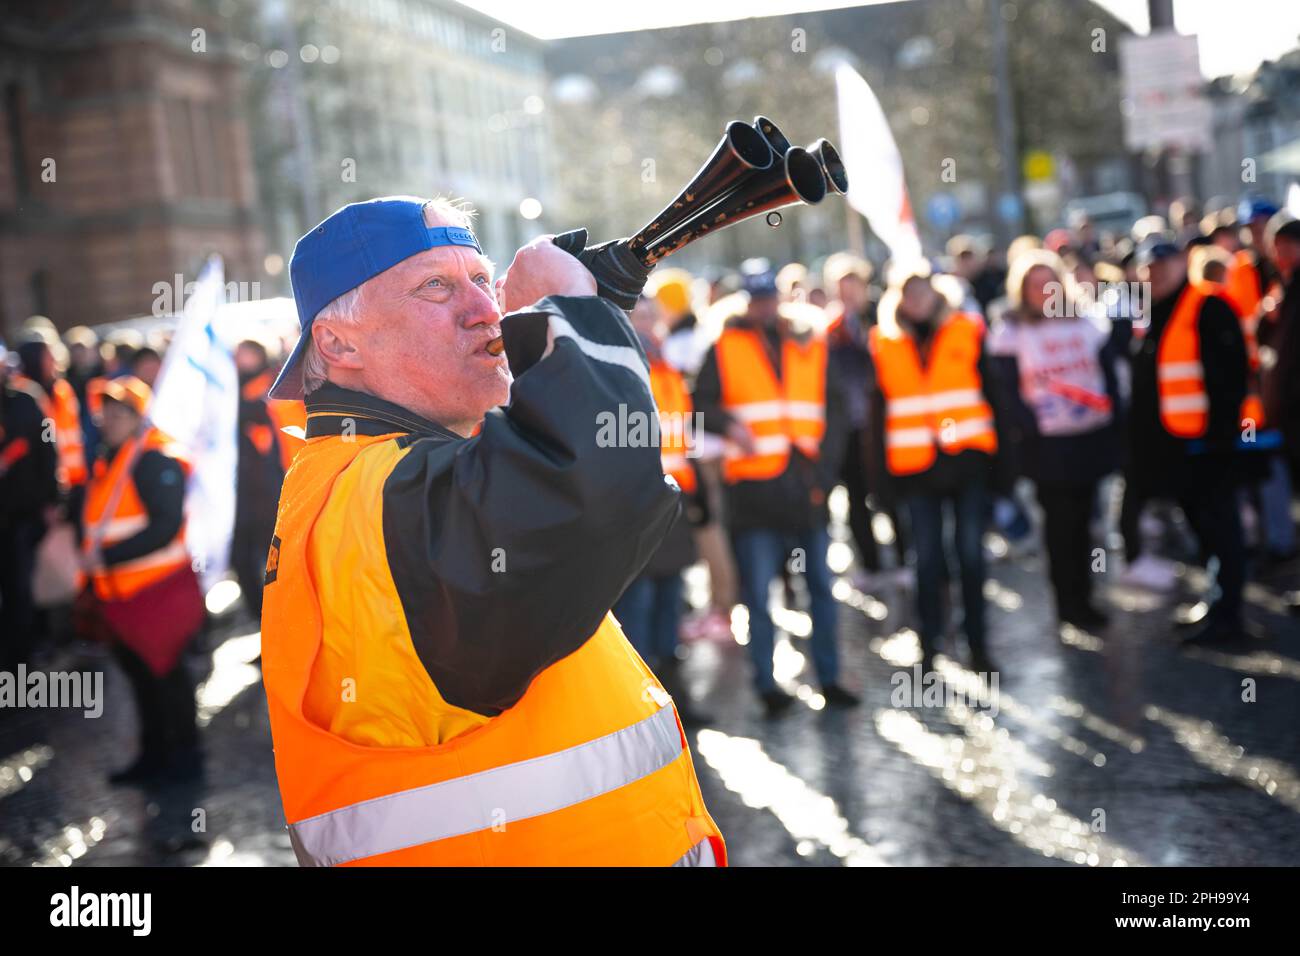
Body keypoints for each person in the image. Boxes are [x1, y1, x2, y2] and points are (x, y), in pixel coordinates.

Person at [259, 196, 725, 867]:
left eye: (483, 280)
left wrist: (554, 332)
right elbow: (597, 493)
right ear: (336, 343)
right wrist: (569, 318)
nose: (484, 310)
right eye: (437, 287)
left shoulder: (376, 472)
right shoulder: (366, 496)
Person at [693, 262, 858, 716]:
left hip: (807, 488)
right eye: (756, 298)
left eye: (770, 297)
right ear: (745, 300)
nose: (764, 306)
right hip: (753, 492)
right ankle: (767, 685)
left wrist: (825, 473)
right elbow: (699, 404)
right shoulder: (724, 345)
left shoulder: (811, 340)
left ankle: (829, 677)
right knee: (758, 597)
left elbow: (836, 411)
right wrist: (728, 424)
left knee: (822, 590)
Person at [867, 262, 1006, 674]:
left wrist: (1005, 467)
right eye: (908, 292)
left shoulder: (967, 328)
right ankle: (929, 642)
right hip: (915, 471)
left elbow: (995, 393)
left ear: (936, 292)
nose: (917, 300)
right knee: (925, 559)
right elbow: (876, 418)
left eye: (922, 290)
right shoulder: (884, 341)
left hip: (967, 462)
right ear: (898, 297)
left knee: (970, 554)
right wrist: (879, 482)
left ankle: (977, 642)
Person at [986, 250, 1125, 629]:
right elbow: (1006, 392)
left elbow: (1108, 372)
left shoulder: (1085, 320)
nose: (1043, 291)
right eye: (1034, 284)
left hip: (1089, 436)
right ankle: (1068, 601)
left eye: (1049, 282)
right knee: (1059, 524)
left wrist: (1113, 418)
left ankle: (1085, 595)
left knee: (1086, 520)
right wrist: (1029, 426)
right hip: (1046, 445)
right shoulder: (1011, 331)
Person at [1129, 238, 1251, 646]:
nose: (1155, 273)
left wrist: (1221, 436)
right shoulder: (1154, 313)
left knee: (1222, 530)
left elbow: (1233, 376)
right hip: (1177, 451)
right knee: (1205, 532)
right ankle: (1216, 604)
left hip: (1208, 448)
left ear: (1183, 263)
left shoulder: (1208, 305)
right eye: (1149, 266)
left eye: (1164, 264)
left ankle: (1229, 614)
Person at [81, 376, 202, 783]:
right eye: (105, 414)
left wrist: (106, 555)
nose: (108, 421)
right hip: (122, 596)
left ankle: (184, 762)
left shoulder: (154, 459)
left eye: (119, 414)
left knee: (168, 679)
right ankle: (154, 757)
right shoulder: (111, 459)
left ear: (138, 416)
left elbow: (165, 526)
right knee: (142, 681)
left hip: (158, 593)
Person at [612, 296, 711, 726]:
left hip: (670, 506)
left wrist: (699, 493)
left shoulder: (666, 369)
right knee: (640, 609)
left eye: (653, 316)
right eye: (639, 315)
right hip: (636, 510)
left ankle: (675, 704)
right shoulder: (617, 369)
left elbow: (684, 439)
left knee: (670, 605)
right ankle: (640, 713)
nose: (649, 323)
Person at [0, 341, 60, 671]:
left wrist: (52, 497)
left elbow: (49, 447)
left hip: (23, 511)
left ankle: (24, 654)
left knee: (22, 584)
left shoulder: (27, 399)